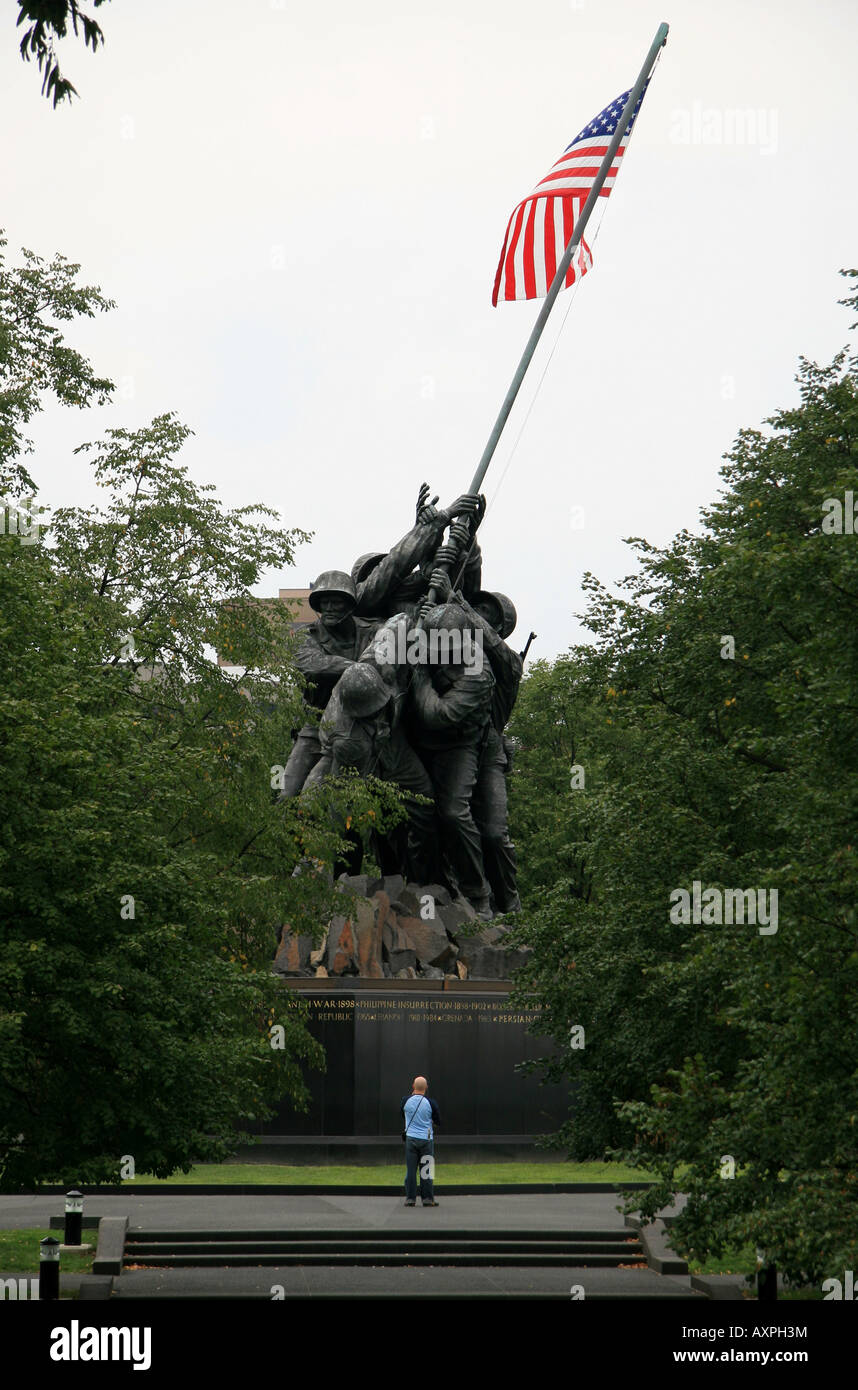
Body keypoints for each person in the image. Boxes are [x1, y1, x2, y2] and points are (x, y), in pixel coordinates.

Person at [401, 1075, 441, 1207]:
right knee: (426, 1170)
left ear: (413, 1086)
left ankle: (410, 1198)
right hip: (426, 1139)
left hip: (411, 1139)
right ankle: (428, 1198)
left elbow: (403, 1114)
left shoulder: (405, 1101)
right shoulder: (431, 1103)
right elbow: (438, 1121)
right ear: (426, 1088)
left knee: (411, 1170)